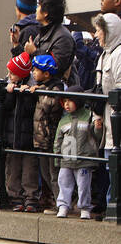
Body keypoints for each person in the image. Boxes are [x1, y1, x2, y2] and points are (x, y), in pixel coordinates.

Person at [53, 87, 103, 218]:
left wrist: (97, 128)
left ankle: (85, 207)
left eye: (70, 101)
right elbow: (57, 141)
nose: (66, 104)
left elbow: (97, 136)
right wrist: (57, 158)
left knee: (84, 185)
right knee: (64, 183)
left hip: (84, 159)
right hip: (66, 159)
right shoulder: (64, 120)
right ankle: (63, 206)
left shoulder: (89, 116)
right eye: (64, 101)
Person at [30, 54, 66, 212]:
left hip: (50, 138)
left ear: (46, 74)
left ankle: (61, 204)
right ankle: (55, 201)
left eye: (36, 70)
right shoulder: (40, 86)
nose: (33, 73)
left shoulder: (56, 87)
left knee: (54, 174)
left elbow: (48, 105)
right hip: (41, 138)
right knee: (45, 173)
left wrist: (39, 90)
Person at [3, 52, 39, 211]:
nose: (9, 75)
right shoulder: (7, 84)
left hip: (28, 135)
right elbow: (5, 108)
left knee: (30, 169)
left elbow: (31, 110)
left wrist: (26, 95)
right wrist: (11, 93)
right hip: (13, 136)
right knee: (12, 168)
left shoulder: (33, 86)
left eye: (12, 73)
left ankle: (31, 198)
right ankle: (15, 197)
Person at [94, 11, 121, 217]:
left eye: (99, 30)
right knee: (109, 164)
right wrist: (97, 114)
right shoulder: (104, 56)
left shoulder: (118, 55)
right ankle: (111, 206)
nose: (96, 35)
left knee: (114, 165)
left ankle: (114, 209)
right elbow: (98, 88)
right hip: (107, 120)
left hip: (116, 121)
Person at [26, 0, 75, 82]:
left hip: (55, 91)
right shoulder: (43, 33)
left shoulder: (63, 37)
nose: (36, 10)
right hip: (41, 88)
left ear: (45, 13)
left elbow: (57, 66)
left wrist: (34, 52)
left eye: (38, 6)